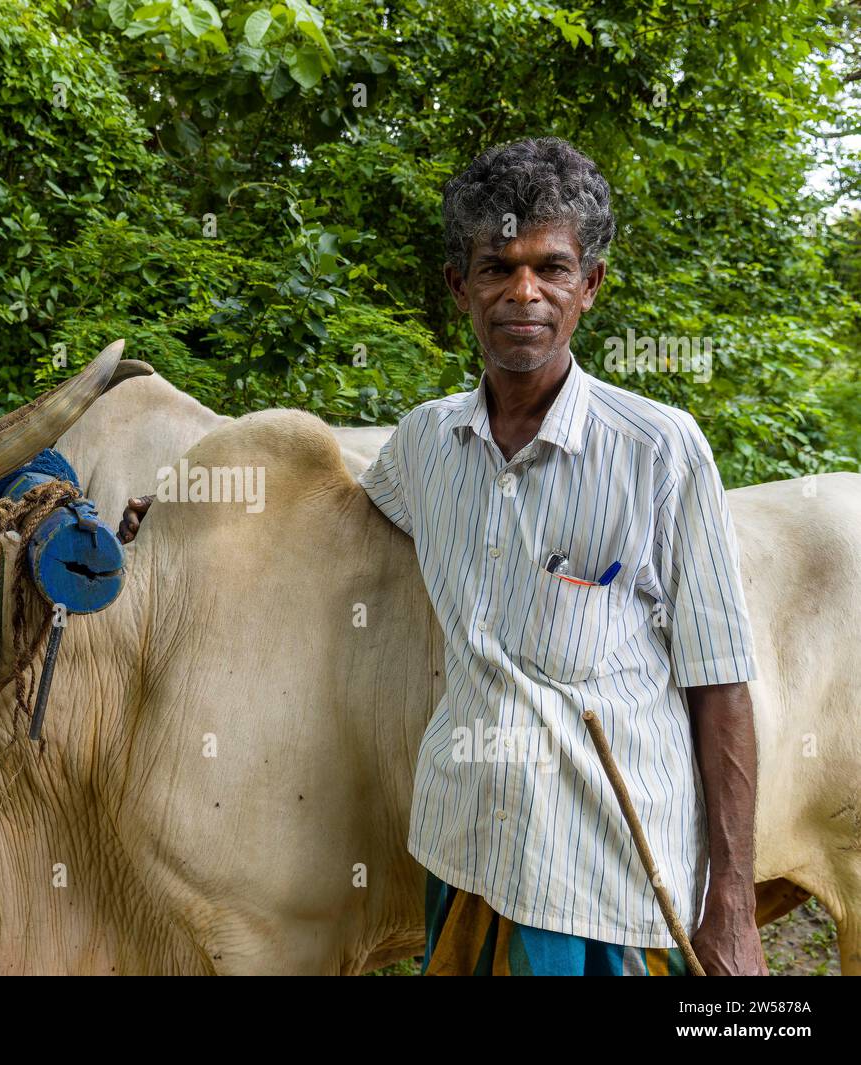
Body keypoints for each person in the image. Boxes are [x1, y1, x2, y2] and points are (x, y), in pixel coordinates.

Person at [120, 137, 763, 976]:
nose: (523, 292)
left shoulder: (661, 452)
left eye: (552, 268)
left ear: (590, 287)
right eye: (497, 266)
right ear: (462, 287)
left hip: (606, 878)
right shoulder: (428, 443)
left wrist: (735, 906)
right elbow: (332, 496)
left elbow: (720, 683)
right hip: (464, 853)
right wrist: (183, 507)